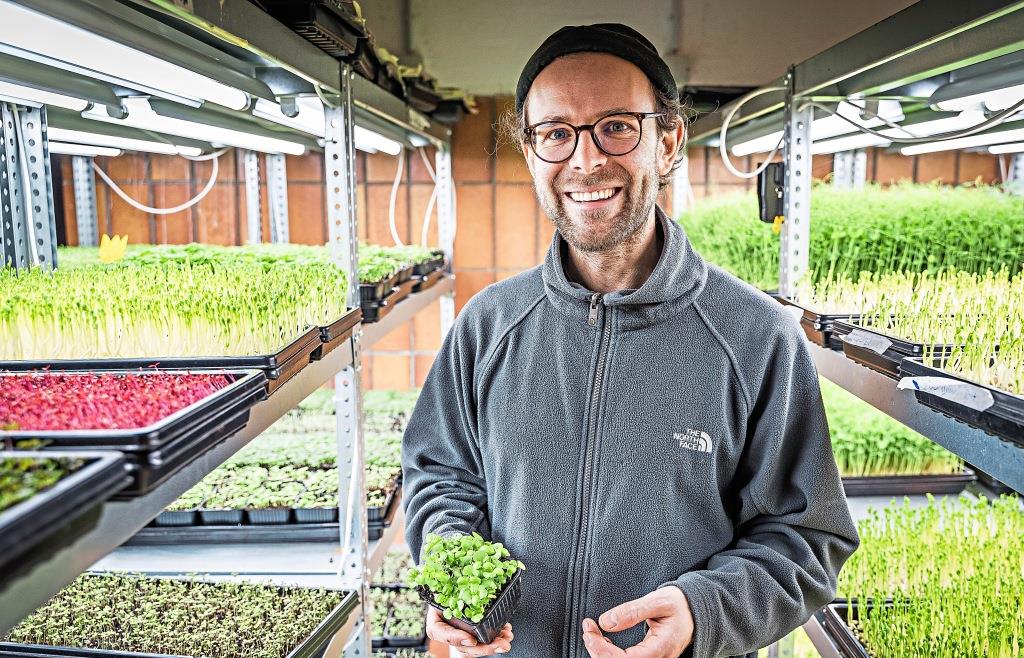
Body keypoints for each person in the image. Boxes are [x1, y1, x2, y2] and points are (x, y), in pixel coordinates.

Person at [402, 23, 859, 658]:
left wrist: (704, 613)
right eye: (556, 134)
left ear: (668, 140)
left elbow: (807, 536)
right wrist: (455, 579)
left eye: (617, 126)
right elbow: (441, 475)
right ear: (531, 152)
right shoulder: (487, 326)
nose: (585, 162)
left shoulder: (755, 337)